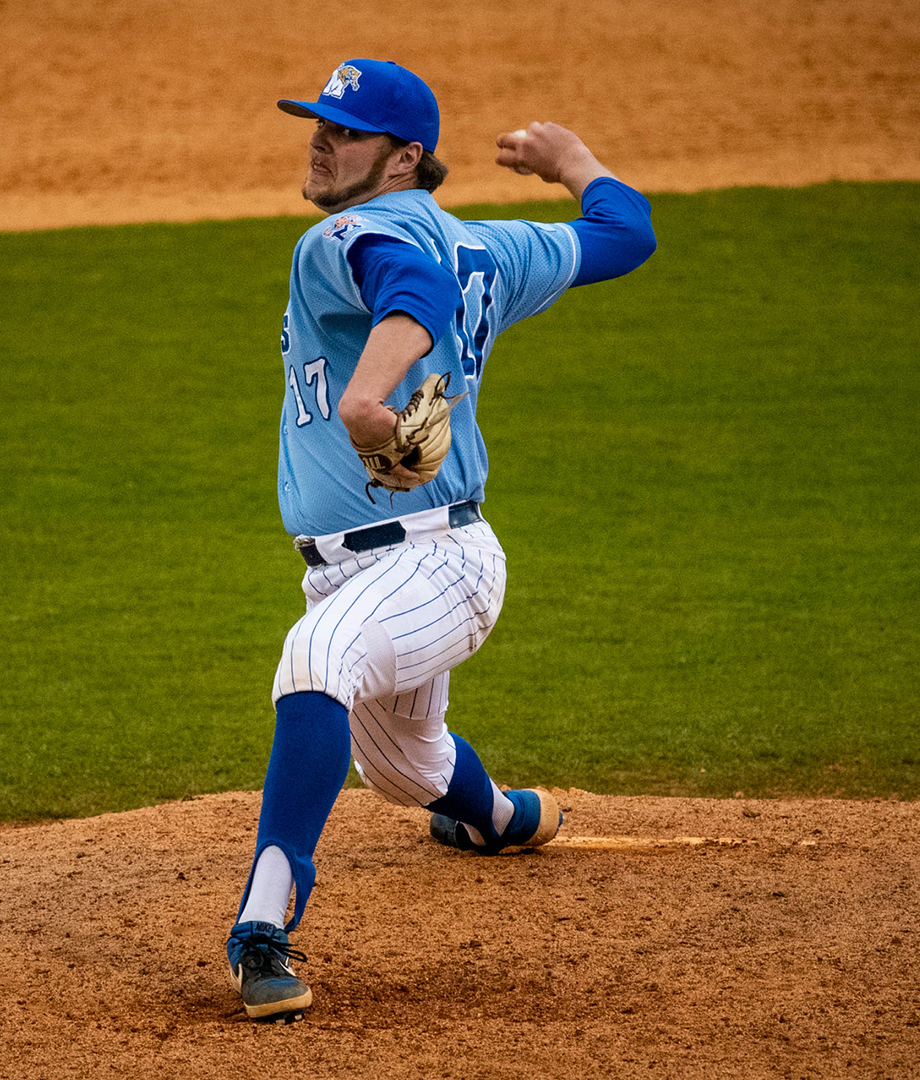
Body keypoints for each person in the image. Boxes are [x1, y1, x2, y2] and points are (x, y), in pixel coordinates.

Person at [225, 58, 657, 1023]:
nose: (319, 142)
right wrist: (573, 161)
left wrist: (367, 397)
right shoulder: (492, 249)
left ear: (402, 158)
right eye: (318, 125)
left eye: (344, 133)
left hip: (442, 561)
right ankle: (501, 818)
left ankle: (262, 927)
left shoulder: (345, 233)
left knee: (315, 663)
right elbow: (625, 235)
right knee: (404, 769)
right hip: (374, 570)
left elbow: (410, 288)